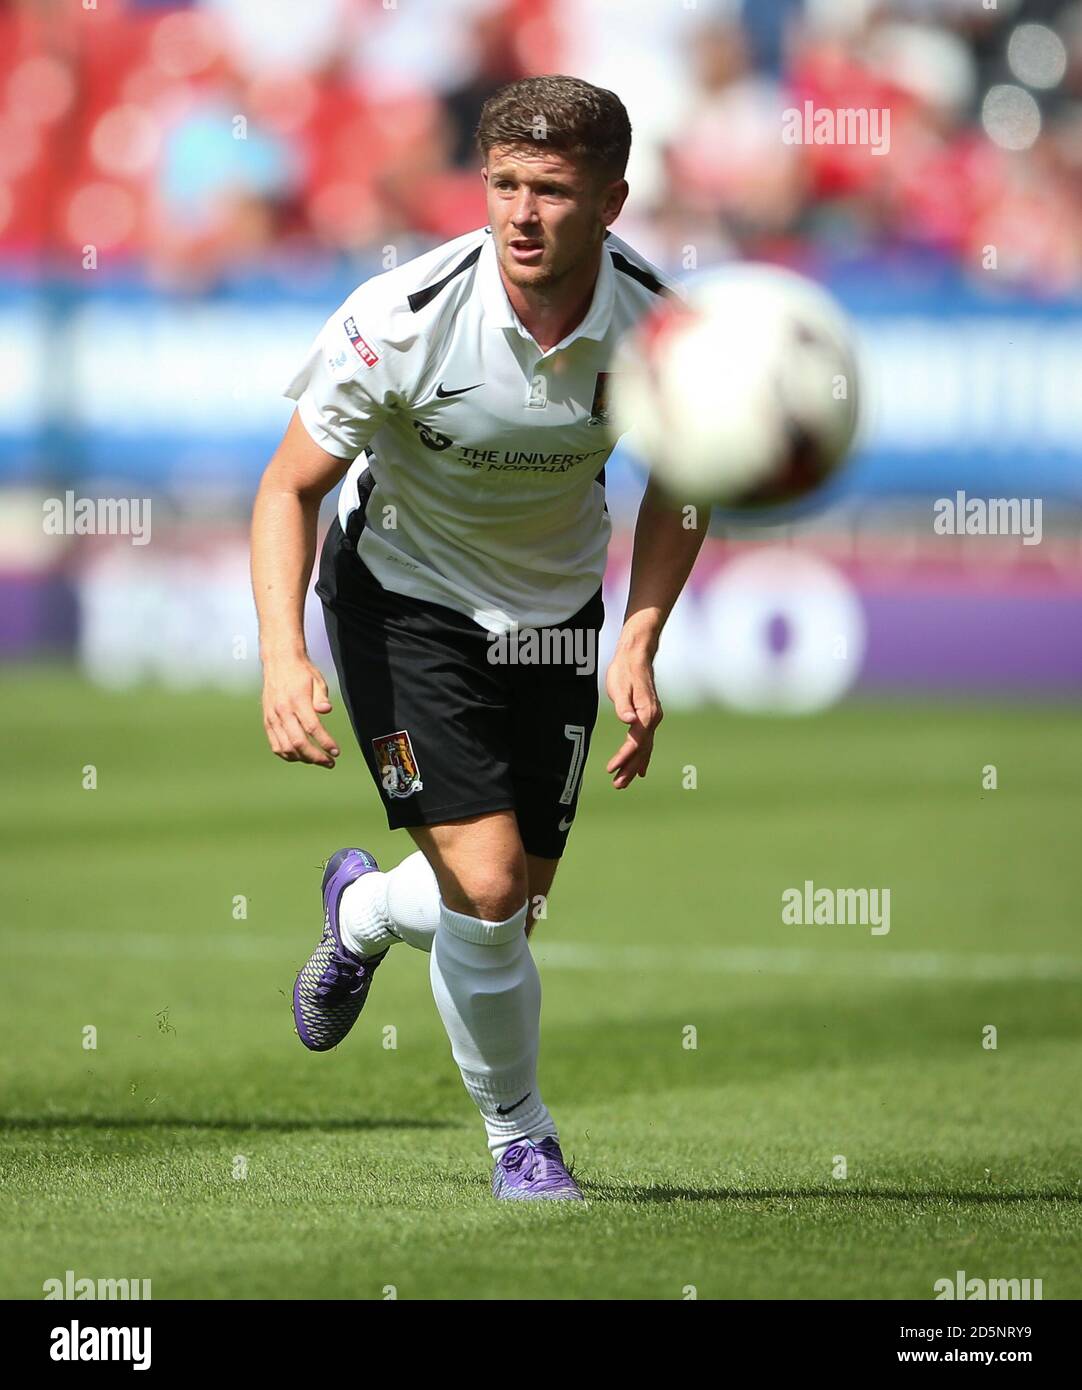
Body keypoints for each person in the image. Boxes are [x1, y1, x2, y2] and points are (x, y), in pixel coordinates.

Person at [250, 75, 706, 1201]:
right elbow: (285, 488)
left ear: (611, 200)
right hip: (400, 602)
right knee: (491, 890)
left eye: (549, 190)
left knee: (507, 898)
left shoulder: (660, 329)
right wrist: (281, 652)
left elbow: (688, 486)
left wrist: (638, 635)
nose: (519, 213)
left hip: (552, 613)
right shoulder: (401, 317)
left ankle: (361, 912)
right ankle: (522, 1141)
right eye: (502, 184)